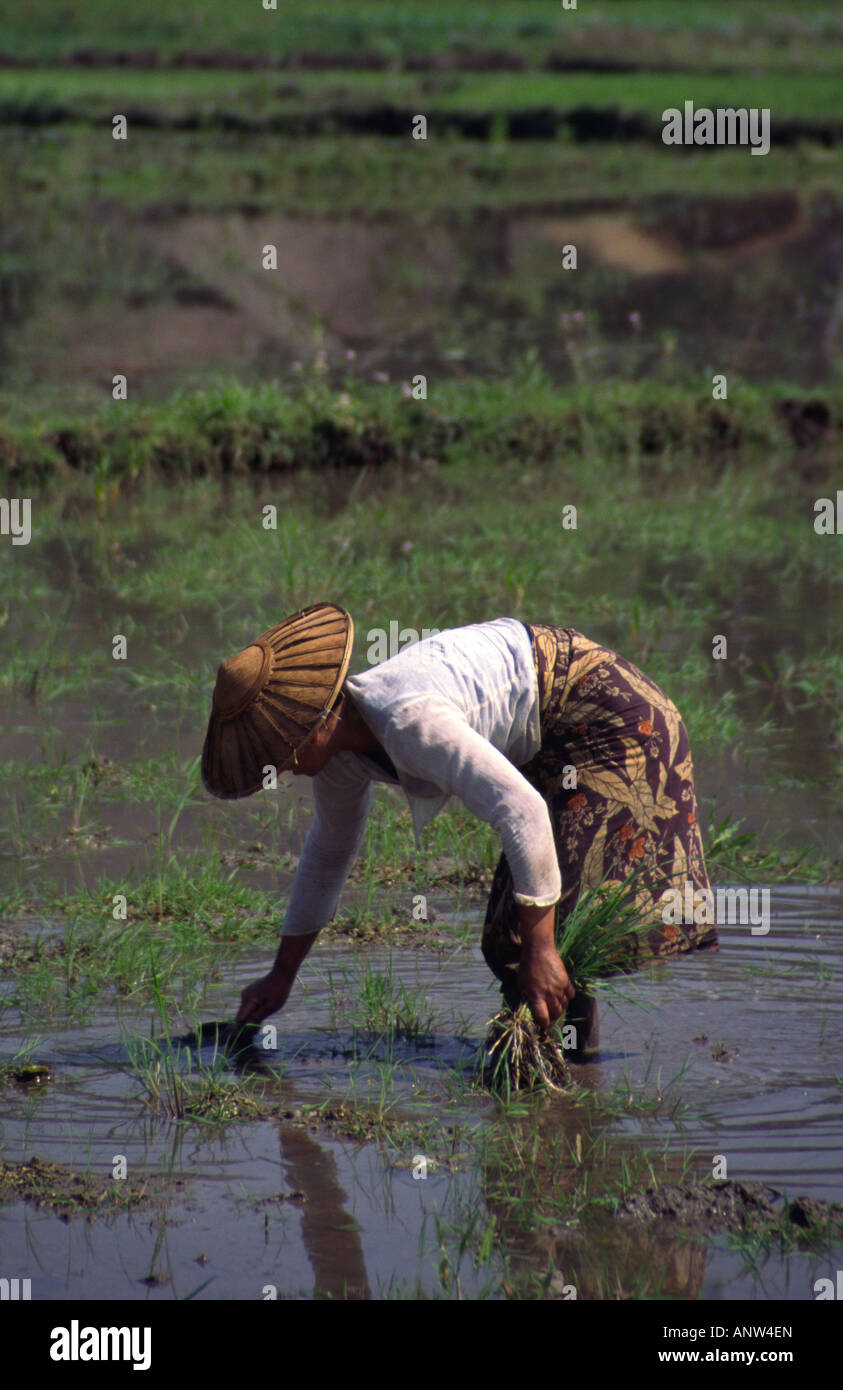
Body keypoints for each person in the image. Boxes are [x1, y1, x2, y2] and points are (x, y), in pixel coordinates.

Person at [201, 603, 716, 1041]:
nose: (281, 766)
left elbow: (522, 809)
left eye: (278, 751)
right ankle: (558, 1064)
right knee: (509, 939)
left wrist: (540, 948)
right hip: (551, 737)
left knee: (537, 939)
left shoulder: (410, 721)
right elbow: (328, 854)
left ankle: (568, 1074)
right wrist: (281, 976)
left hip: (612, 721)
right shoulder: (338, 755)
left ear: (312, 727)